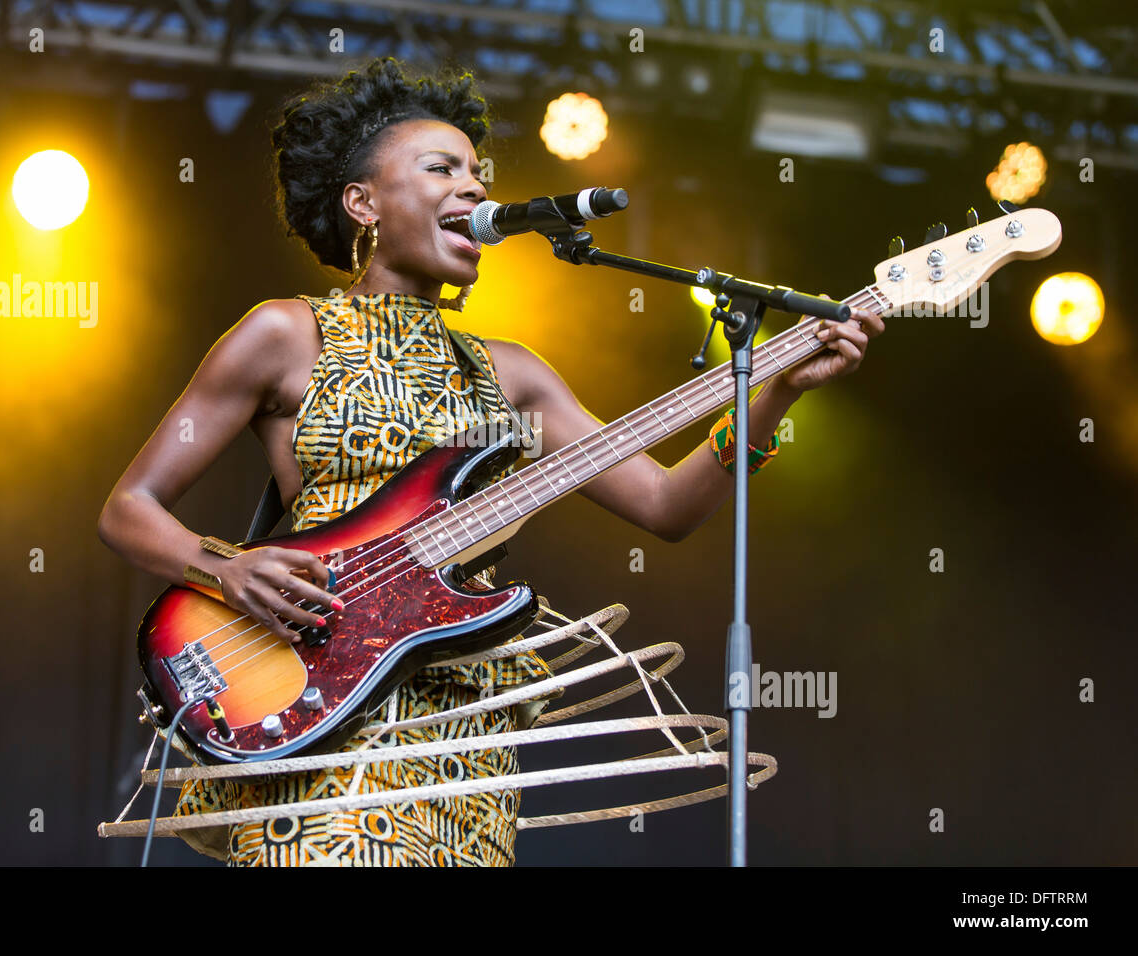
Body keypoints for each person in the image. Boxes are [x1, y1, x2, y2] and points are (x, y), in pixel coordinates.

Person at [96, 56, 884, 867]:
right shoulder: (284, 333)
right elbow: (129, 507)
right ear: (362, 202)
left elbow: (665, 505)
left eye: (479, 174)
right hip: (315, 692)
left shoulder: (515, 374)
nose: (474, 190)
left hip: (463, 725)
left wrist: (775, 396)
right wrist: (224, 567)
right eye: (442, 169)